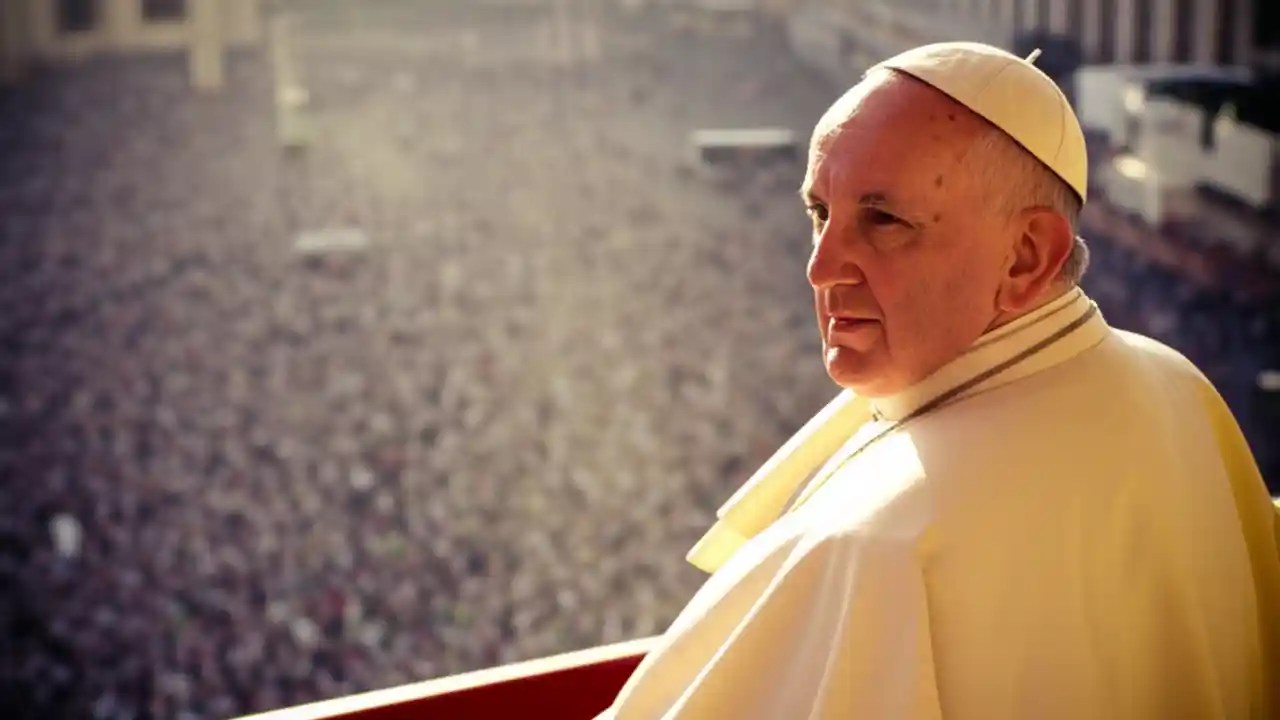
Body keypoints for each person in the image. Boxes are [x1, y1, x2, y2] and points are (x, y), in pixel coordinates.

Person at [601, 42, 1280, 719]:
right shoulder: (1179, 383)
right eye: (819, 214)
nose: (820, 267)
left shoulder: (876, 547)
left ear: (1025, 258)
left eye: (885, 220)